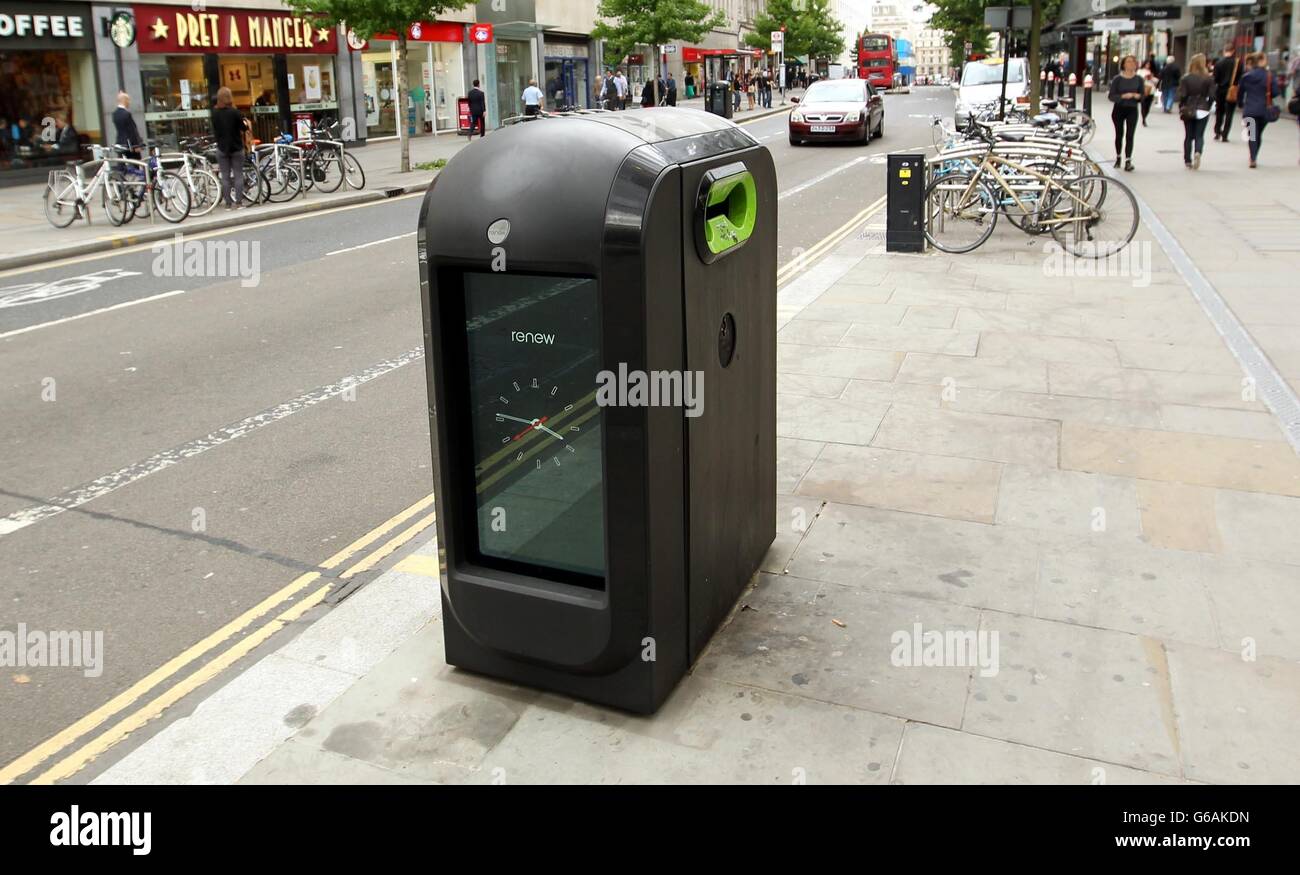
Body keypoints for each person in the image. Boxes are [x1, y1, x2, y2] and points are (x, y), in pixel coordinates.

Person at [1238, 52, 1281, 168]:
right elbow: (1276, 93)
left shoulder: (1246, 76)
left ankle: (1252, 158)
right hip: (1264, 110)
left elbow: (1240, 93)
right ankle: (1254, 155)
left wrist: (1241, 104)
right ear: (1262, 61)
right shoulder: (1269, 76)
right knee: (1259, 134)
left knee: (1252, 134)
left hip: (1249, 110)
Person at [211, 86, 248, 209]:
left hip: (222, 148)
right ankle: (238, 202)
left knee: (225, 177)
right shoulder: (235, 112)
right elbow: (244, 127)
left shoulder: (214, 113)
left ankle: (227, 204)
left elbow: (215, 129)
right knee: (238, 175)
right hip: (236, 147)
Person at [1176, 53, 1214, 170]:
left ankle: (1187, 160)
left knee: (1188, 135)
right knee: (1199, 135)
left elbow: (1182, 95)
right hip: (1203, 108)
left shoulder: (1186, 78)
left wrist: (1182, 107)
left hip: (1189, 108)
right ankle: (1198, 152)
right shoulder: (1208, 78)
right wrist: (1208, 105)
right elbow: (1212, 95)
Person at [1109, 55, 1144, 171]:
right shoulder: (1117, 79)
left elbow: (1142, 95)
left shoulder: (1139, 79)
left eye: (1133, 62)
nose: (1131, 64)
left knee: (1130, 135)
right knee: (1119, 134)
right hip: (1119, 108)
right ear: (1124, 64)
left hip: (1132, 109)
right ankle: (1118, 157)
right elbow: (1111, 96)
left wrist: (1137, 96)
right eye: (1128, 62)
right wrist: (1123, 96)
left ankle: (1128, 160)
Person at [1213, 43, 1242, 141]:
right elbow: (1240, 77)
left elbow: (1215, 79)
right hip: (1232, 90)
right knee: (1229, 113)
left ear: (1225, 51)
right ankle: (1225, 135)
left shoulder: (1218, 63)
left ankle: (1217, 132)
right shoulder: (1238, 63)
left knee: (1219, 112)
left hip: (1220, 90)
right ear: (1233, 51)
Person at [112, 91, 142, 158]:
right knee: (135, 164)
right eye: (128, 100)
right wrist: (137, 145)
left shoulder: (115, 114)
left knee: (122, 163)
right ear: (124, 100)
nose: (129, 102)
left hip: (120, 142)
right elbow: (132, 131)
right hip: (130, 144)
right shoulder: (126, 114)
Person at [1139, 59, 1157, 125]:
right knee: (1143, 104)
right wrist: (1144, 78)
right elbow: (1138, 79)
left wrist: (1151, 78)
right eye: (1147, 64)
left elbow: (1156, 81)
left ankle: (1145, 116)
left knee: (1148, 106)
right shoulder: (1140, 71)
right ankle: (1143, 119)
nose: (1148, 66)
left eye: (1149, 64)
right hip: (1143, 89)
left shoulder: (1152, 72)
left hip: (1151, 90)